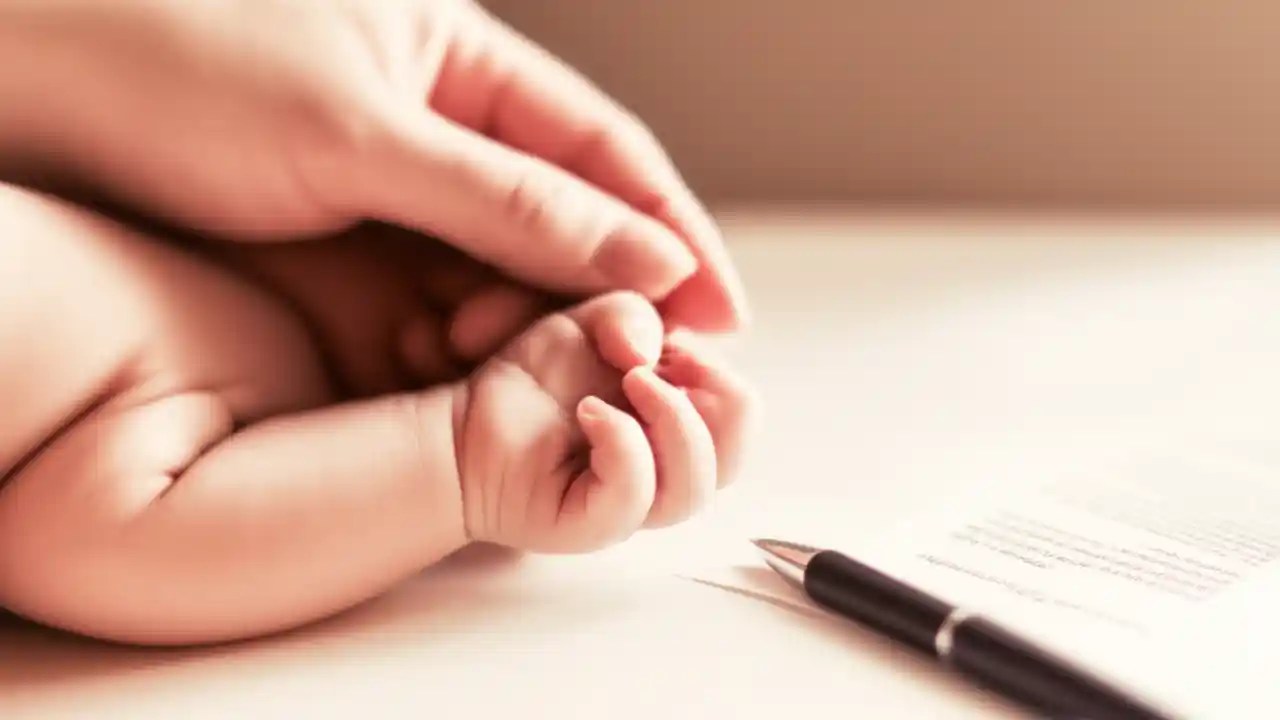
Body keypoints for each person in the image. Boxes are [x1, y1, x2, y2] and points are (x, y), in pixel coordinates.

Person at [0, 0, 756, 646]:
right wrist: (466, 456)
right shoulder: (158, 339)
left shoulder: (135, 332)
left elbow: (90, 522)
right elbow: (91, 531)